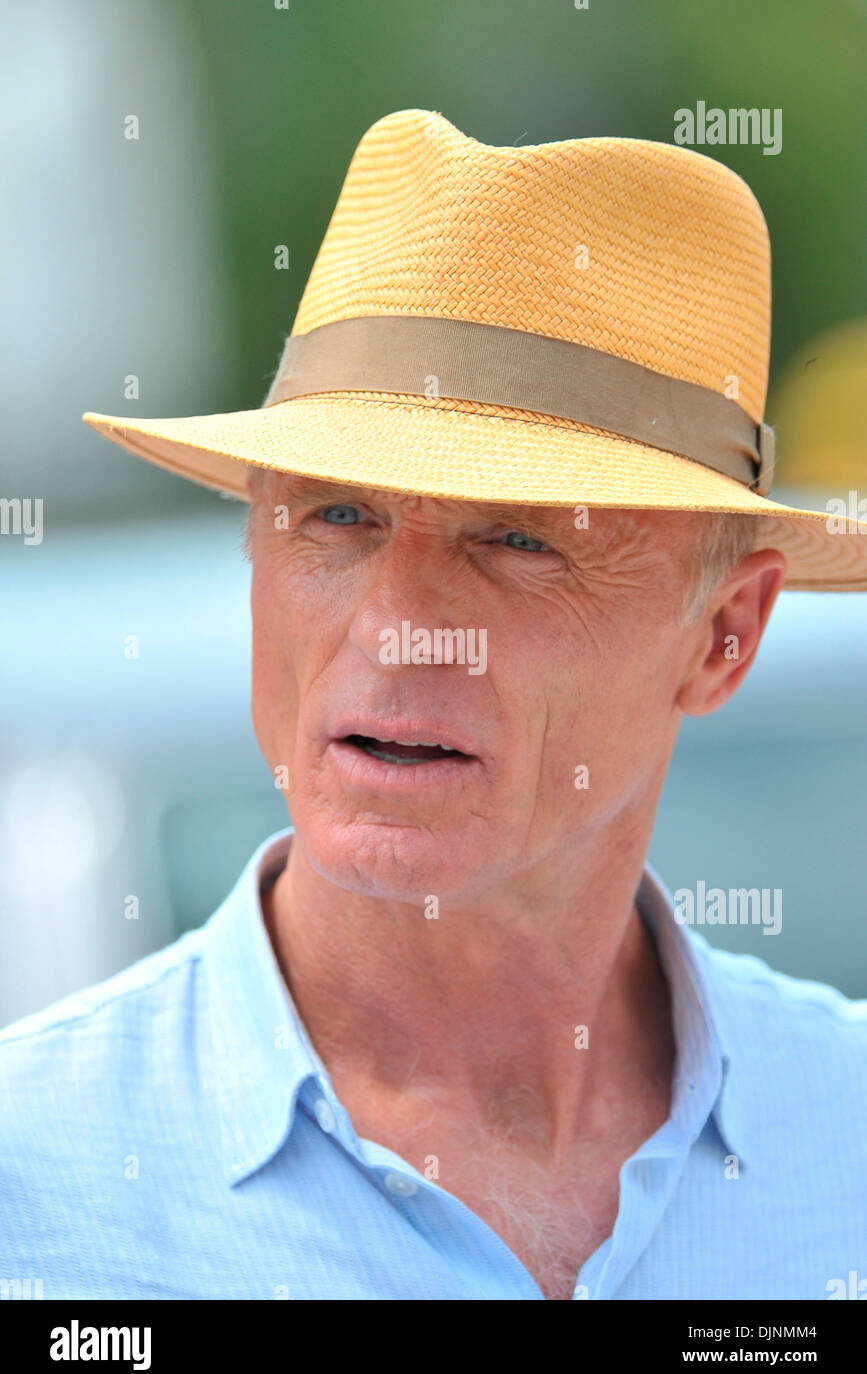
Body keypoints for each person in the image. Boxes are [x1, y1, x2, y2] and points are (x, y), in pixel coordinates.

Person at [2, 109, 865, 1301]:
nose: (395, 624)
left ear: (726, 634)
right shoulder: (30, 1184)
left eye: (516, 540)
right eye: (334, 515)